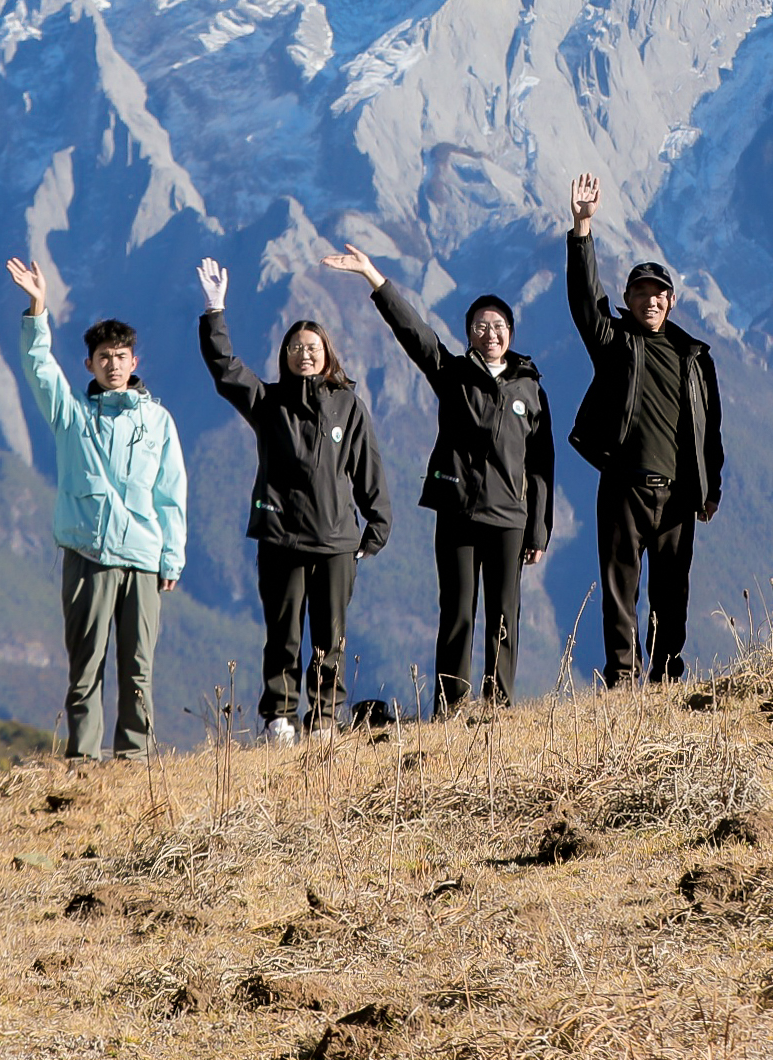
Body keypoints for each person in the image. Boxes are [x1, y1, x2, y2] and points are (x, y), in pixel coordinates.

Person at [323, 241, 552, 710]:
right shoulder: (452, 375)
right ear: (469, 333)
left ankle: (498, 704)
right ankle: (450, 705)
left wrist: (539, 528)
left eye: (499, 326)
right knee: (458, 612)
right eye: (481, 326)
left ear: (511, 332)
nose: (491, 333)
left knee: (505, 614)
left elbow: (541, 464)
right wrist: (374, 278)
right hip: (458, 512)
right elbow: (414, 332)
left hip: (510, 517)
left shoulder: (530, 388)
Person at [197, 257, 391, 742]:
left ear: (328, 353)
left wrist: (377, 527)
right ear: (284, 354)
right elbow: (225, 369)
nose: (305, 354)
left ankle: (324, 717)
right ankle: (279, 717)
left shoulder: (349, 405)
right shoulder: (268, 403)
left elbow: (368, 470)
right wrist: (215, 310)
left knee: (331, 637)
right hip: (281, 537)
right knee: (282, 633)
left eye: (313, 347)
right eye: (296, 347)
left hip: (336, 541)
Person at [12, 260, 186, 762]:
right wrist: (38, 308)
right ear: (89, 363)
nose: (113, 364)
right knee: (85, 665)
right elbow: (39, 370)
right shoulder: (72, 417)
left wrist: (171, 558)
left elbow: (171, 494)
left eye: (122, 356)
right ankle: (84, 758)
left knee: (138, 667)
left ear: (135, 361)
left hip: (143, 559)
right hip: (87, 555)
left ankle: (135, 758)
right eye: (104, 356)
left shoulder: (157, 422)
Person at [565, 173, 722, 685]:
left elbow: (710, 430)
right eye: (640, 293)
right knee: (620, 587)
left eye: (659, 294)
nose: (650, 301)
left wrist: (711, 487)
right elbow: (586, 304)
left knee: (672, 591)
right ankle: (621, 677)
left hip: (679, 493)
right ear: (629, 299)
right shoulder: (616, 344)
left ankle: (667, 672)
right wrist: (582, 229)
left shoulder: (695, 357)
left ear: (671, 301)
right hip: (625, 484)